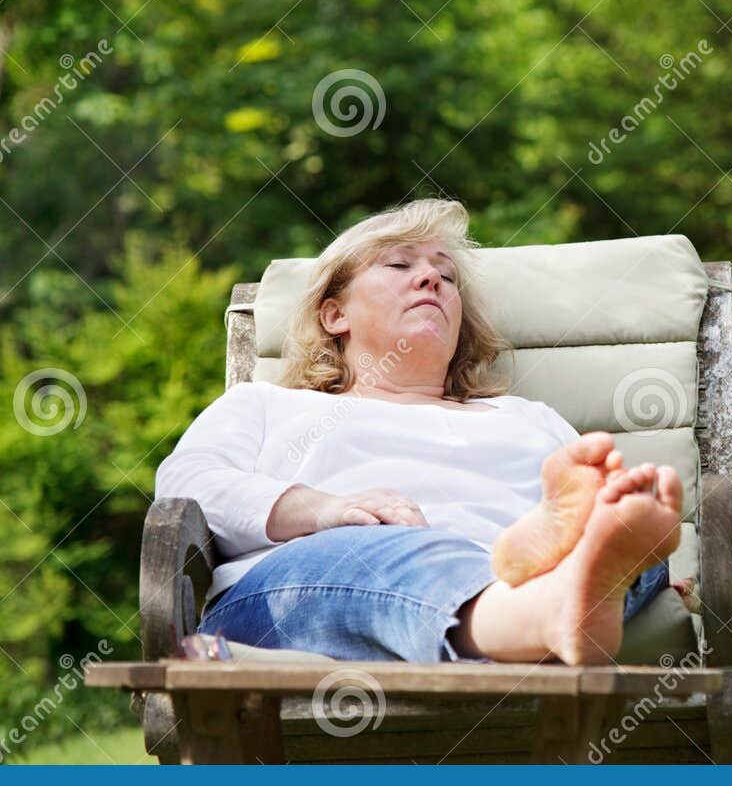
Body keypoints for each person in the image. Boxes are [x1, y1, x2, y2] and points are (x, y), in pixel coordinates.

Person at [154, 198, 683, 664]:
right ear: (335, 314)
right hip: (321, 576)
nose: (431, 279)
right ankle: (552, 605)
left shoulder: (529, 418)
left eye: (446, 276)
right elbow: (185, 483)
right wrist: (324, 509)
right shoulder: (268, 405)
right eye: (400, 265)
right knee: (375, 551)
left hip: (507, 567)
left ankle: (554, 591)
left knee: (613, 525)